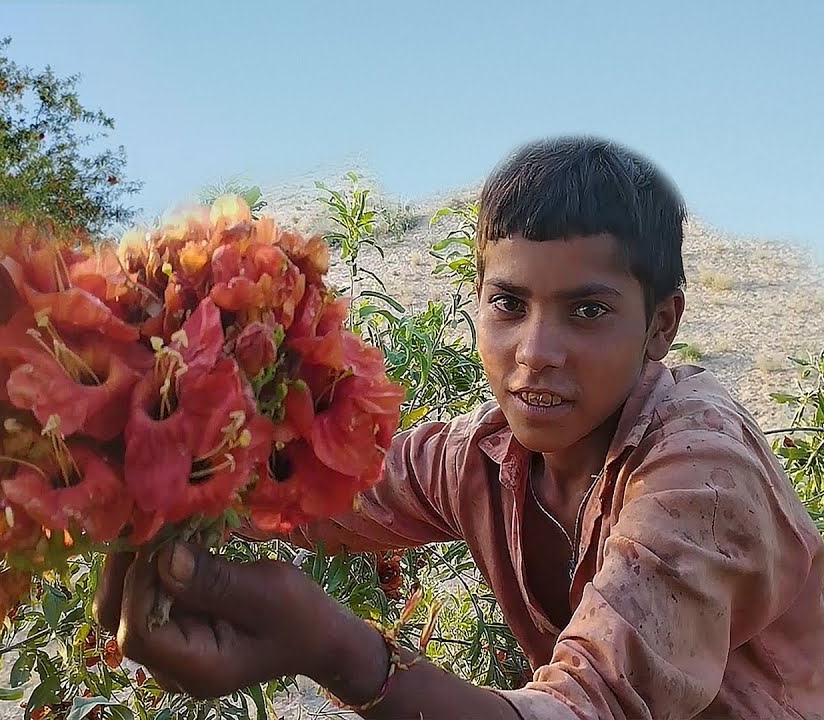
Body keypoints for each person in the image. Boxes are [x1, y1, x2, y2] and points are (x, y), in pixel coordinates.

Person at [95, 136, 824, 719]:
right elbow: (318, 494)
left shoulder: (702, 472)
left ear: (661, 324)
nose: (535, 353)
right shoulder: (480, 458)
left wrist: (336, 650)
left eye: (589, 311)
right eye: (509, 304)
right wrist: (132, 462)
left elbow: (583, 709)